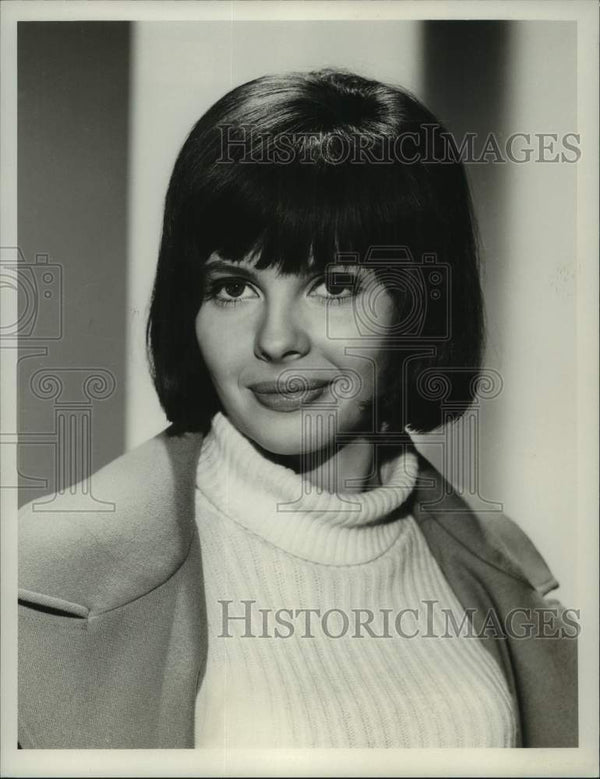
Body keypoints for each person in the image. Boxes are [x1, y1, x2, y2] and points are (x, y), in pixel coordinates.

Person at [18, 69, 577, 749]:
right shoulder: (37, 577)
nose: (275, 339)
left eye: (334, 284)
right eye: (232, 287)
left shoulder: (507, 569)